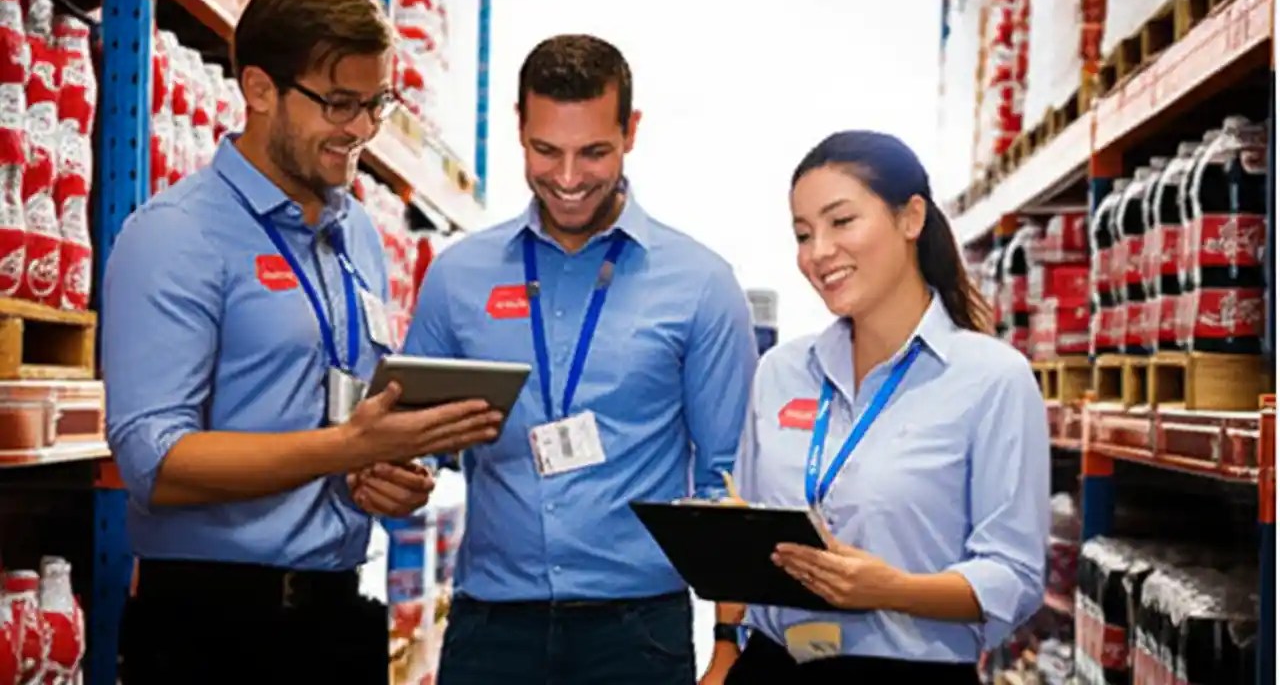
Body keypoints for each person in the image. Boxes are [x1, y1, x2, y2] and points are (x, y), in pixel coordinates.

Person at [102, 0, 503, 684]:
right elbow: (153, 462)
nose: (361, 129)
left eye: (375, 103)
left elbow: (337, 422)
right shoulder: (175, 235)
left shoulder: (357, 236)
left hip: (339, 614)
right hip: (212, 630)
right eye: (338, 104)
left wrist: (382, 474)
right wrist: (348, 445)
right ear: (259, 89)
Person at [402, 33, 760, 685]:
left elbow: (729, 483)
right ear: (520, 129)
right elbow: (409, 447)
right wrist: (389, 473)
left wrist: (730, 645)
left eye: (594, 152)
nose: (567, 179)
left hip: (638, 635)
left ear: (632, 130)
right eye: (546, 150)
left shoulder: (702, 285)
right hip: (491, 630)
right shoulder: (457, 278)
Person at [703, 130, 1049, 684]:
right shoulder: (781, 373)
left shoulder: (991, 380)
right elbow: (748, 528)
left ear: (911, 219)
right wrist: (724, 650)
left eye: (841, 222)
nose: (818, 252)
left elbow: (1015, 575)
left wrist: (892, 590)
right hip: (770, 663)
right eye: (802, 233)